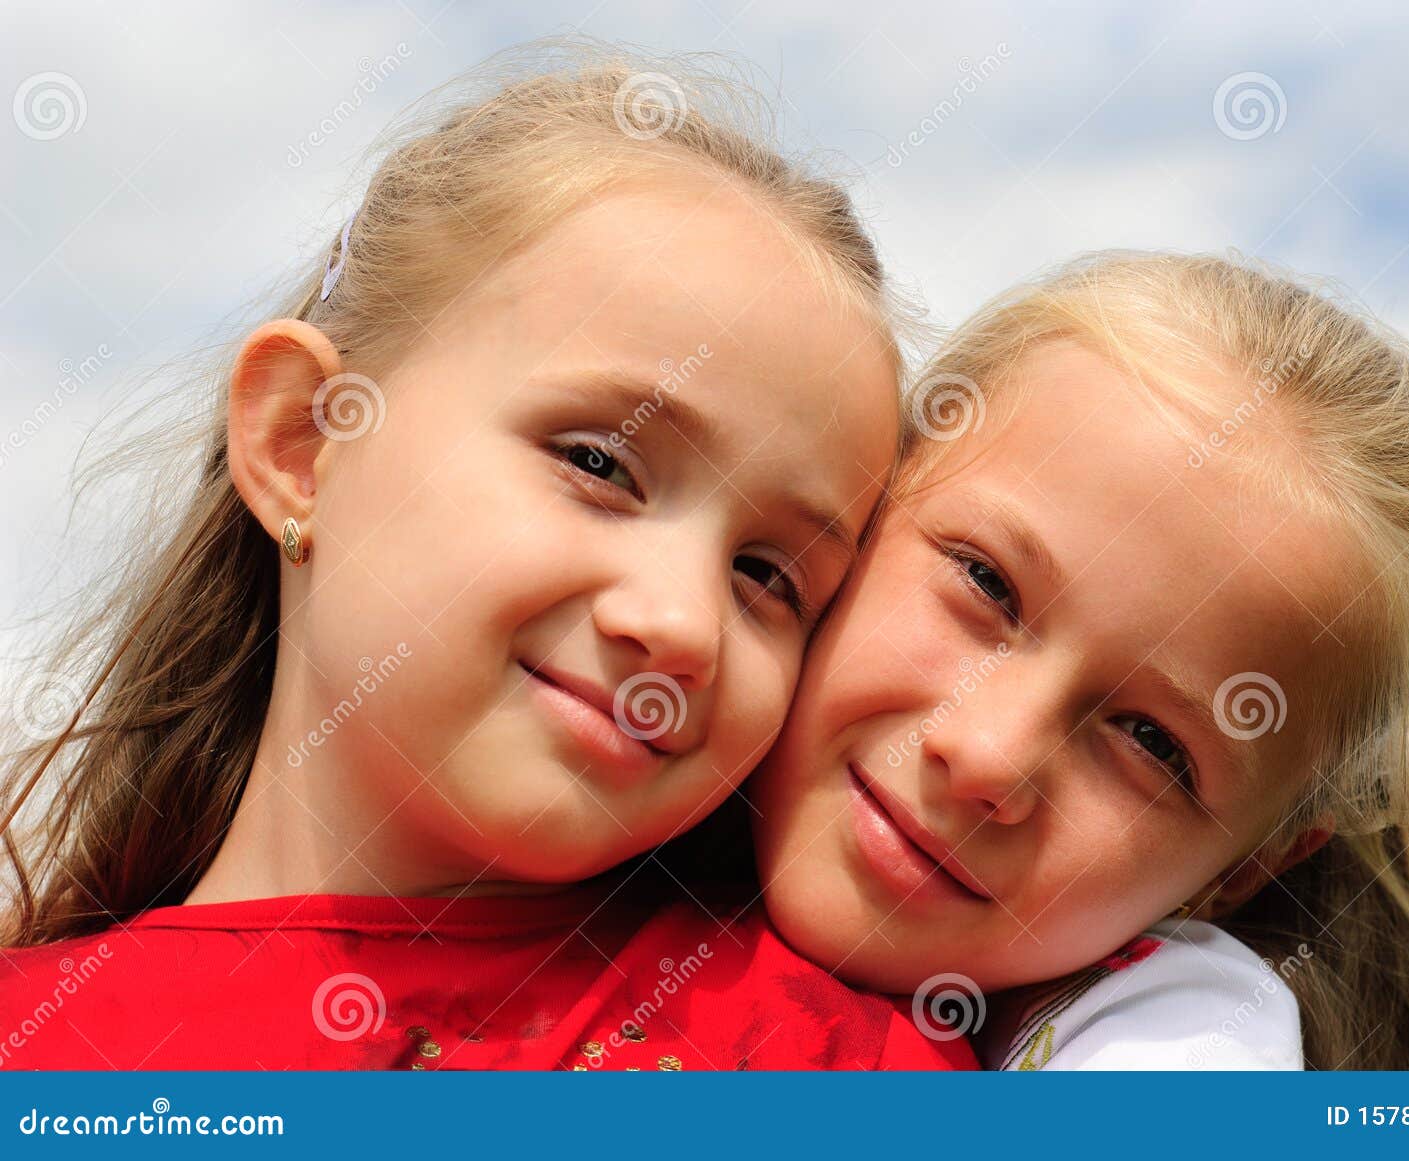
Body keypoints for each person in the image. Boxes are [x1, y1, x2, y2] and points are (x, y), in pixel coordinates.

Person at [0, 40, 971, 1072]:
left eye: (769, 576)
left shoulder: (828, 1057)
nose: (684, 622)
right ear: (303, 441)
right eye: (600, 463)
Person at [750, 251, 1409, 1070]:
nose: (987, 758)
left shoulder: (1163, 1034)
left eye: (1152, 742)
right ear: (867, 495)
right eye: (987, 583)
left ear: (1242, 870)